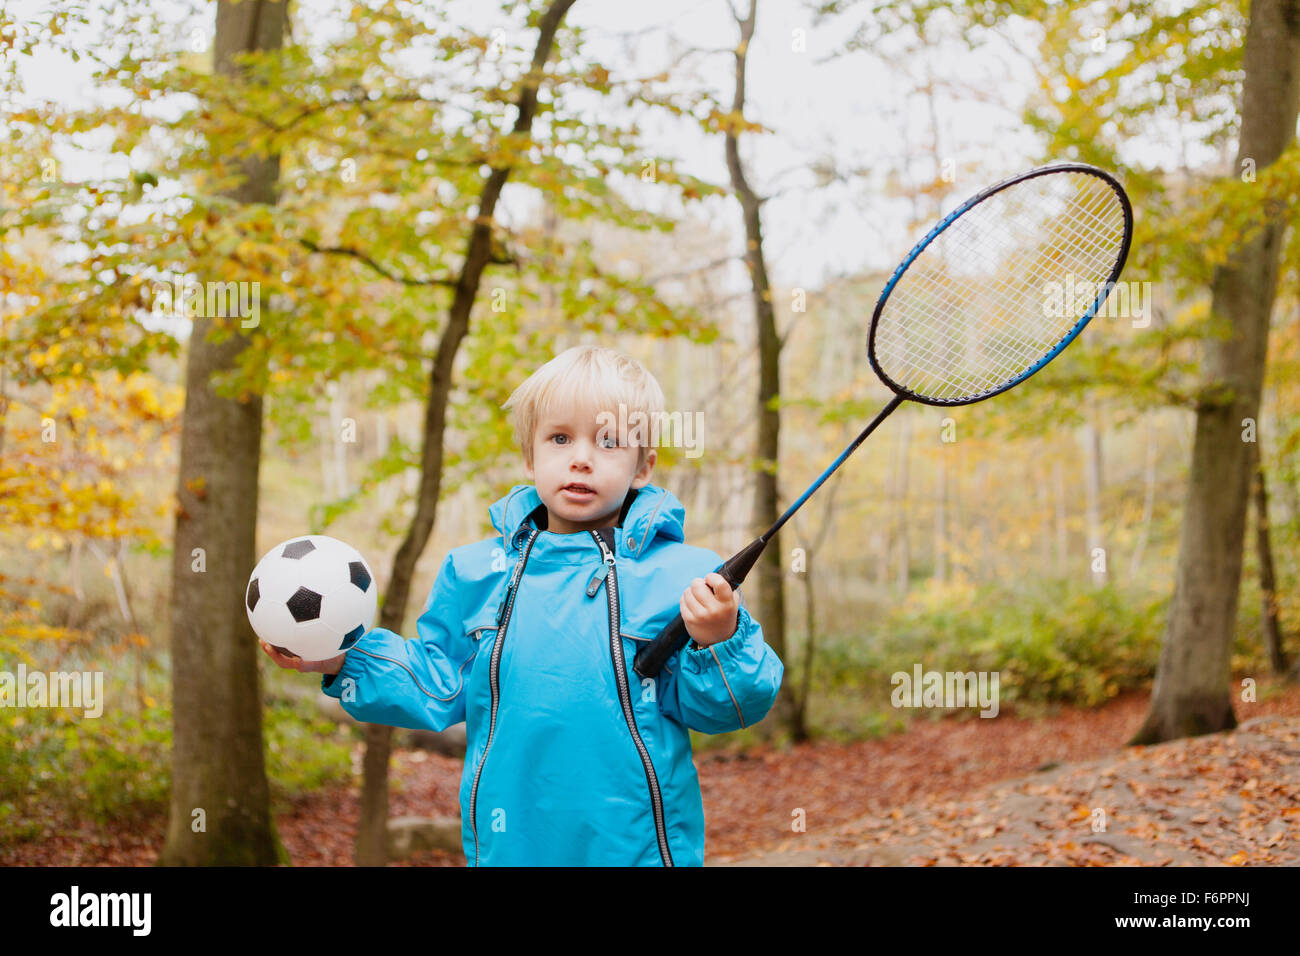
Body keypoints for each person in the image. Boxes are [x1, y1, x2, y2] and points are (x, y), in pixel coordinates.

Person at [262, 345, 784, 865]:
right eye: (560, 438)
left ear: (643, 466)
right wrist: (344, 661)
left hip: (637, 848)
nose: (581, 457)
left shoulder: (683, 576)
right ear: (531, 457)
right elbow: (436, 681)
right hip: (512, 842)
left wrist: (722, 638)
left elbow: (730, 708)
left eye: (608, 441)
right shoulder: (475, 573)